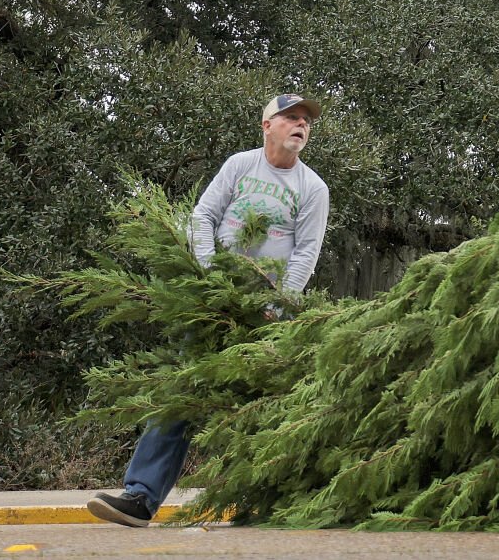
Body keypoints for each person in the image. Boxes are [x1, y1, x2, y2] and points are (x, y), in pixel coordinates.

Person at [86, 94, 331, 528]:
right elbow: (204, 217)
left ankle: (260, 503)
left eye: (305, 121)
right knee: (179, 396)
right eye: (290, 117)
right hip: (211, 303)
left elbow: (305, 253)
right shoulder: (240, 165)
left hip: (267, 315)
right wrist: (205, 277)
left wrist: (278, 305)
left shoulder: (313, 188)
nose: (300, 125)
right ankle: (141, 499)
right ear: (266, 126)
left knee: (257, 408)